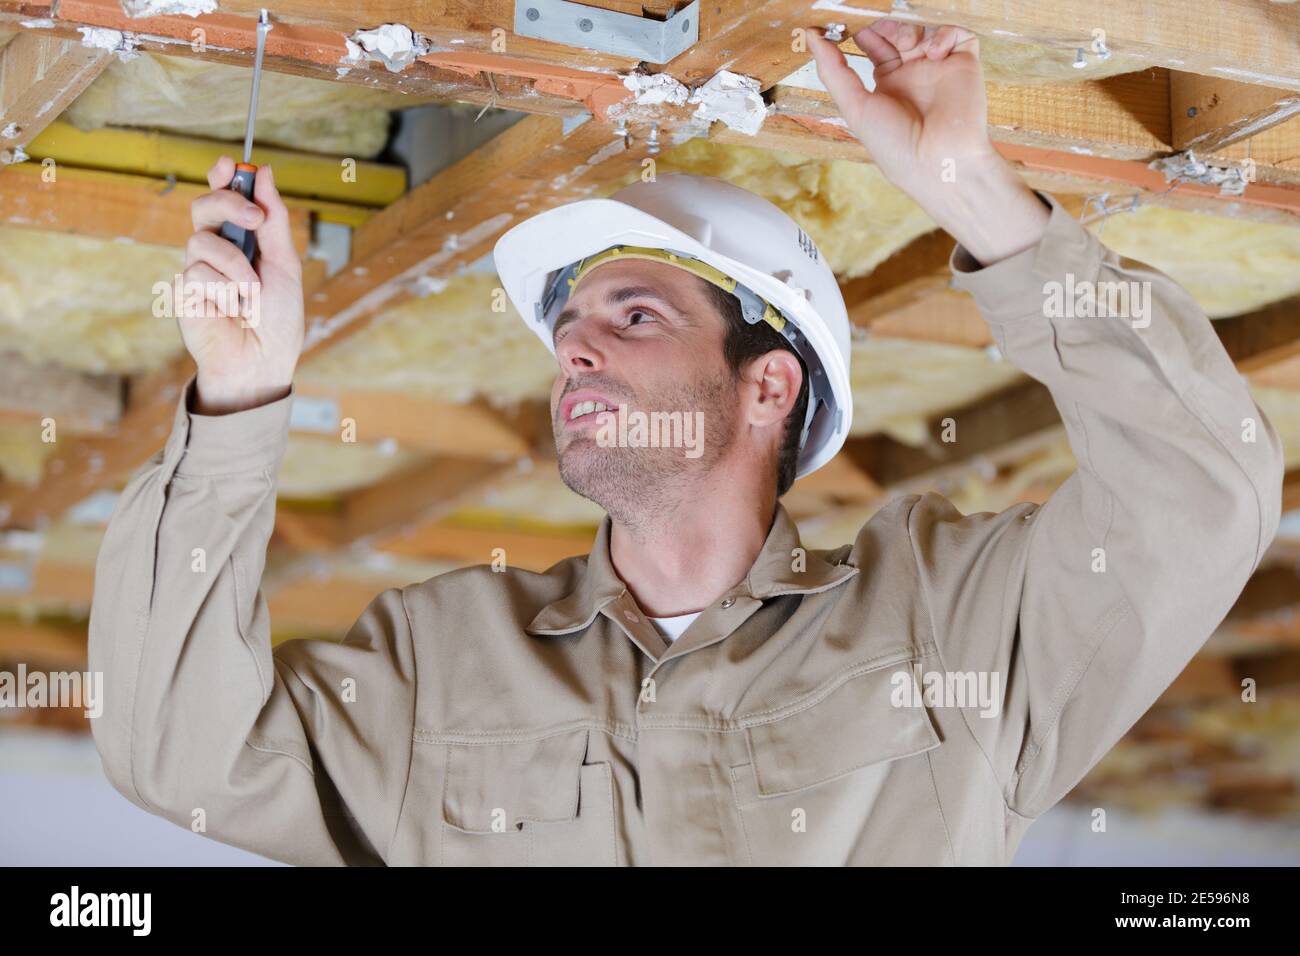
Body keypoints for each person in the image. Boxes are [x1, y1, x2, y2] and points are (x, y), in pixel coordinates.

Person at [88, 21, 1283, 865]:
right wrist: (242, 399)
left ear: (768, 385)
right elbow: (181, 759)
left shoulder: (949, 629)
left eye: (633, 315)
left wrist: (974, 190)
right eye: (568, 327)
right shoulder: (441, 662)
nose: (575, 351)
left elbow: (1200, 486)